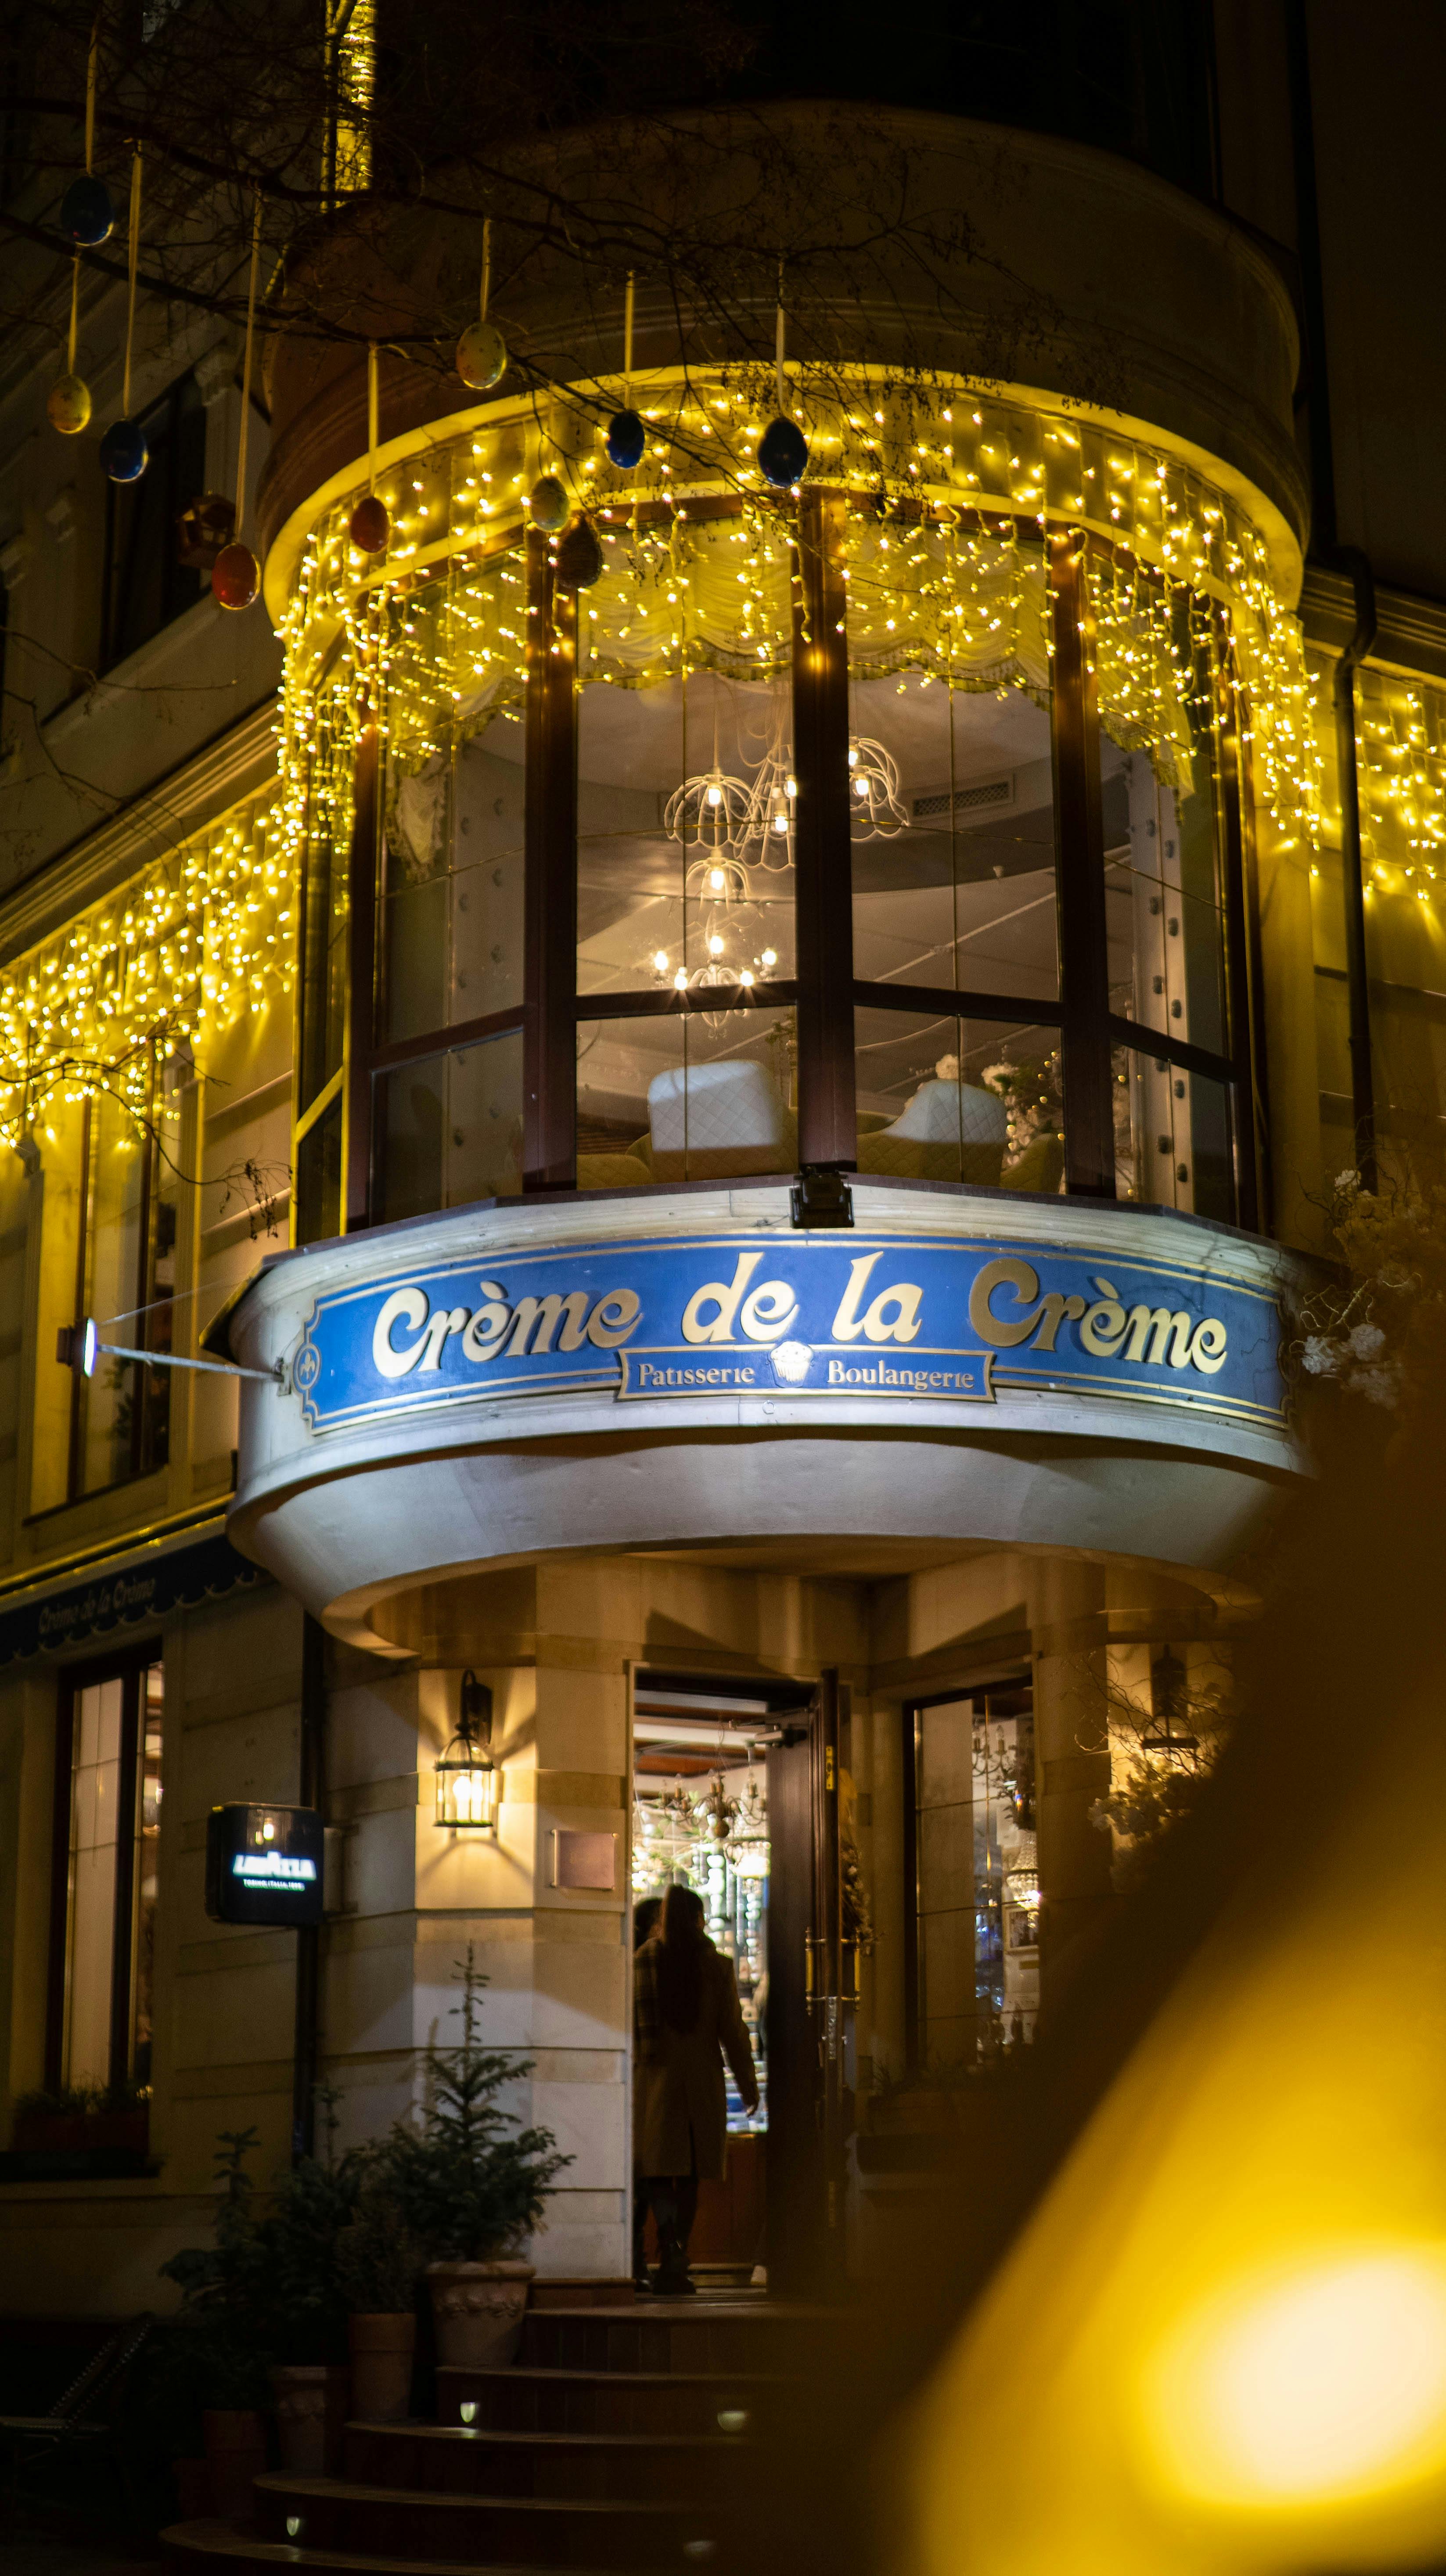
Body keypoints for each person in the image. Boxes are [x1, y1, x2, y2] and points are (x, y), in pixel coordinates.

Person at [633, 1883, 760, 2297]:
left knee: (657, 2169)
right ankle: (677, 2254)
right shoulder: (717, 1966)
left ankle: (667, 2244)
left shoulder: (644, 1960)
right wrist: (748, 2082)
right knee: (689, 2174)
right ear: (699, 1919)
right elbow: (734, 2032)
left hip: (654, 2082)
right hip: (702, 2082)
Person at [630, 1897, 663, 2289]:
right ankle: (641, 2258)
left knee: (644, 2175)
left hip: (643, 2083)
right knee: (647, 2175)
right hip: (647, 2082)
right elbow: (650, 2034)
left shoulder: (639, 1958)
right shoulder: (647, 1960)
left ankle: (639, 2257)